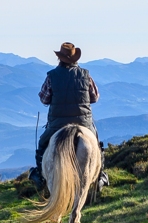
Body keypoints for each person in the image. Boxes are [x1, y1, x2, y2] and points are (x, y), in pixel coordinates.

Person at [29, 42, 100, 187]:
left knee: (42, 144)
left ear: (59, 58)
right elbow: (95, 97)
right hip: (84, 123)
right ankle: (100, 176)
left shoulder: (52, 76)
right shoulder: (86, 75)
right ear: (75, 59)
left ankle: (40, 176)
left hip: (58, 124)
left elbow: (44, 98)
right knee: (97, 146)